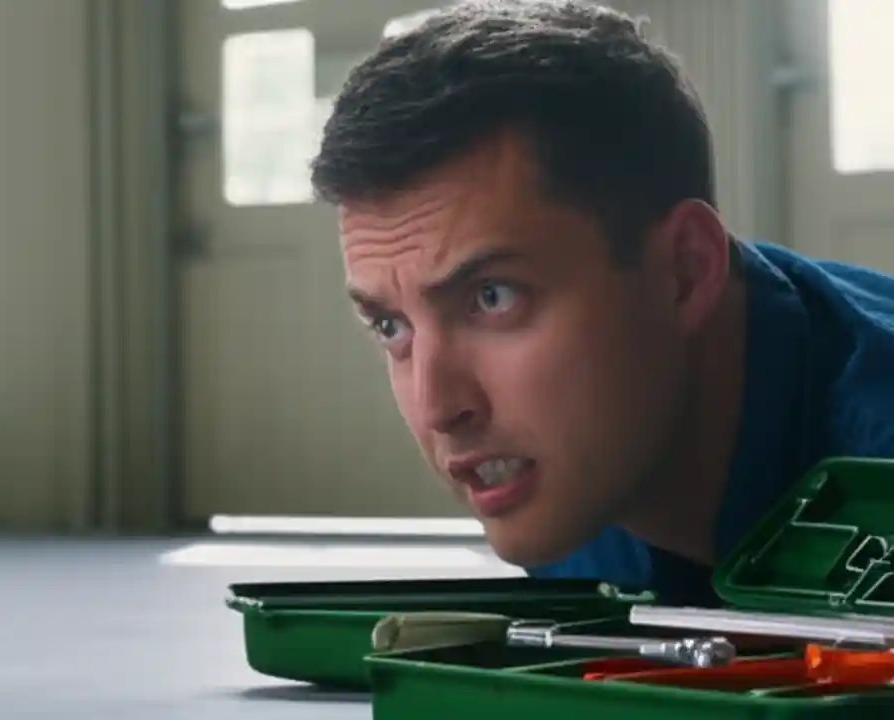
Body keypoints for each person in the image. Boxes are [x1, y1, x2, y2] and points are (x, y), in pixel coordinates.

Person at [310, 0, 894, 605]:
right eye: (390, 325)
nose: (438, 408)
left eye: (492, 297)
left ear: (685, 272)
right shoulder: (573, 479)